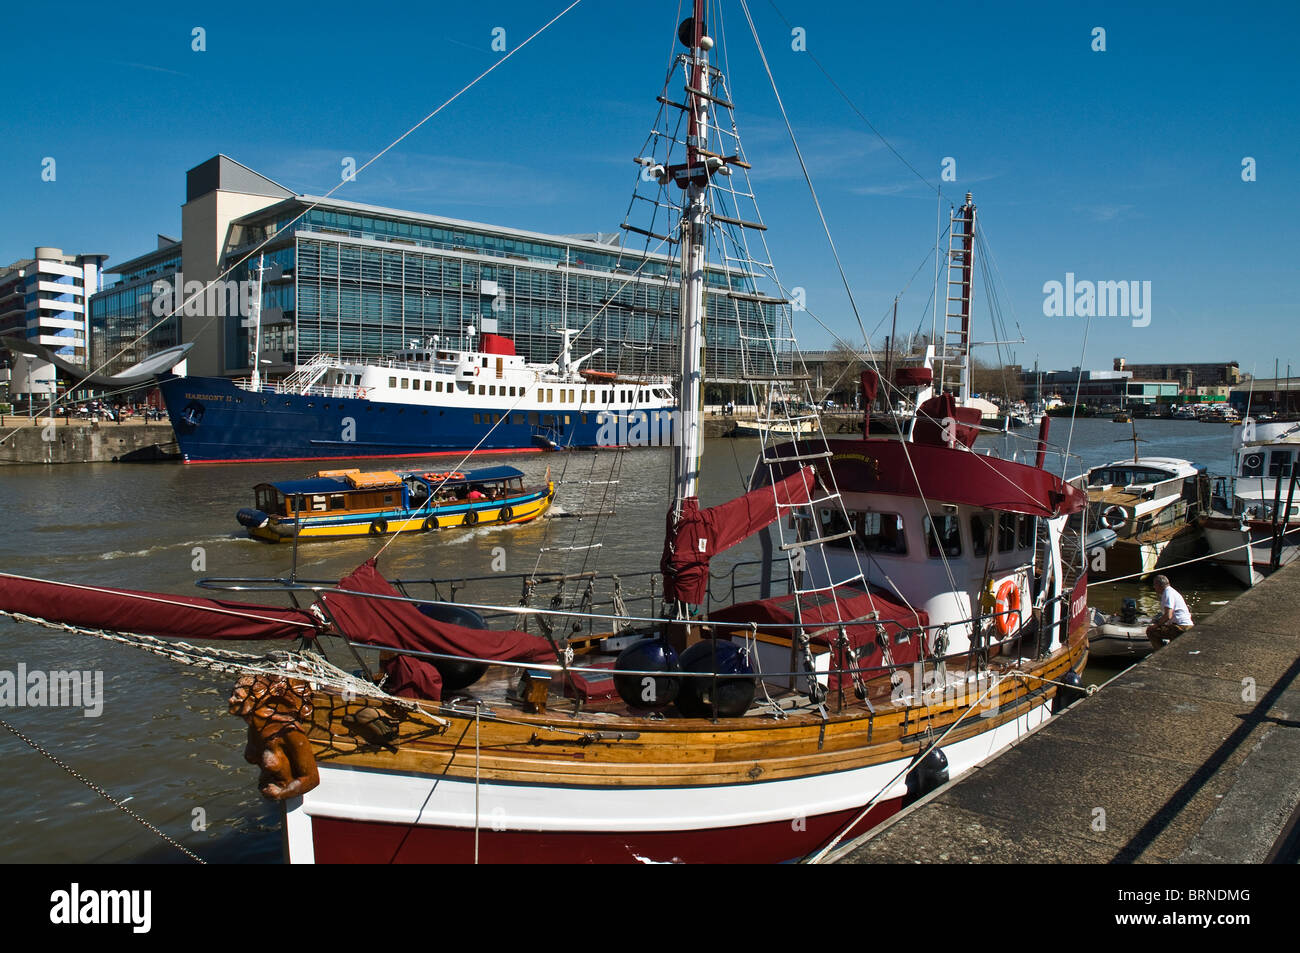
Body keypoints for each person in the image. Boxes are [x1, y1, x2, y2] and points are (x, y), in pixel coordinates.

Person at [1146, 575, 1193, 649]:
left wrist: (1156, 625)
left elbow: (1168, 615)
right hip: (1185, 625)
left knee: (1151, 631)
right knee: (1167, 628)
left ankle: (1160, 652)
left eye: (1154, 585)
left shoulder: (1167, 593)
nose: (1154, 587)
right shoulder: (1172, 591)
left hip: (1180, 627)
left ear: (1158, 585)